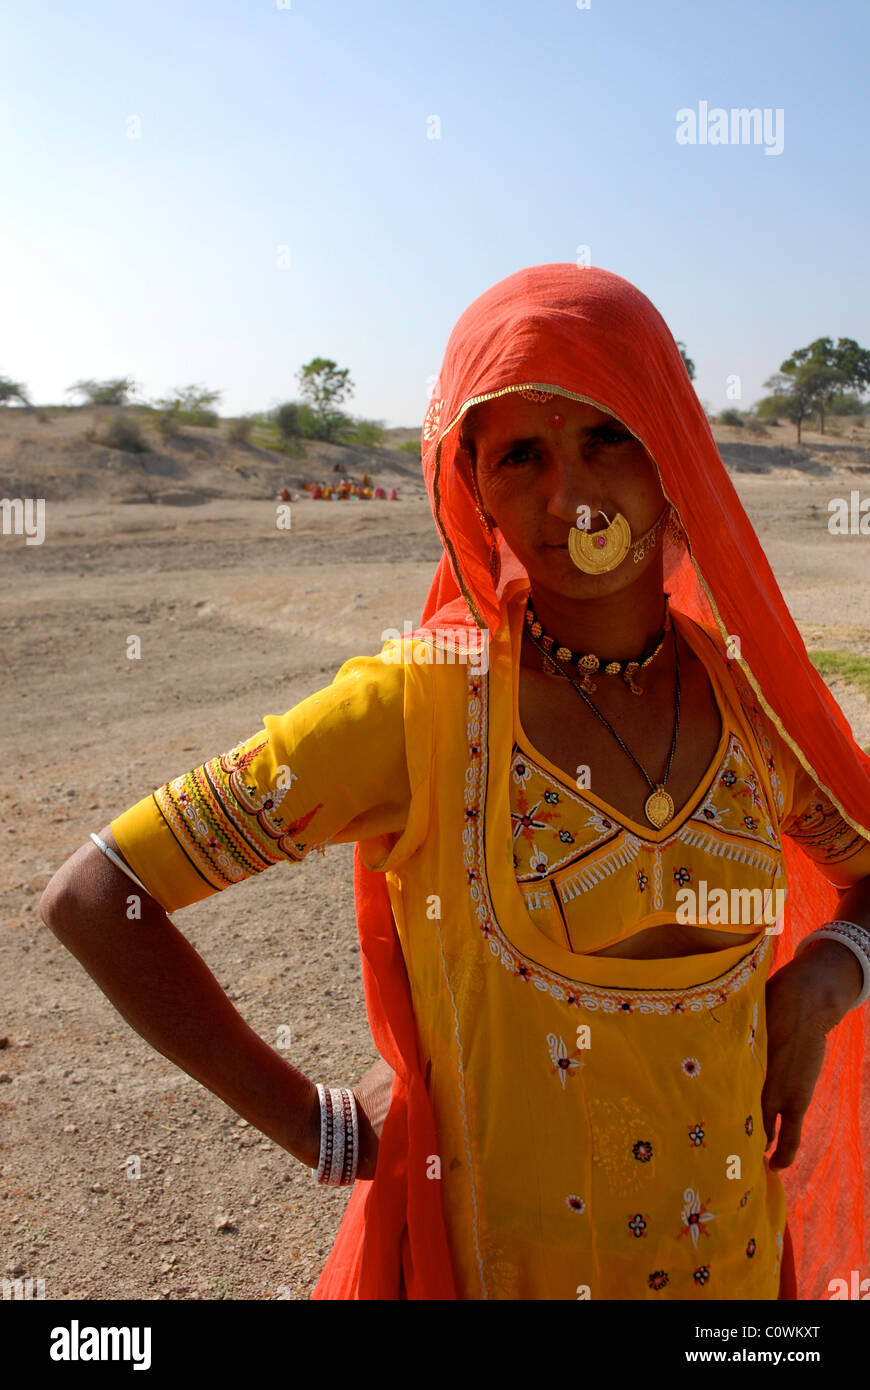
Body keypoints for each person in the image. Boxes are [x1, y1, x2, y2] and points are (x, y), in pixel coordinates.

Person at [39, 264, 870, 1301]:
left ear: (672, 450)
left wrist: (828, 974)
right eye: (522, 454)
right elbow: (96, 896)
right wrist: (318, 1122)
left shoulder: (755, 710)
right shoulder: (420, 706)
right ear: (471, 487)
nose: (570, 495)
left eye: (607, 433)